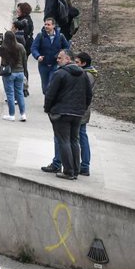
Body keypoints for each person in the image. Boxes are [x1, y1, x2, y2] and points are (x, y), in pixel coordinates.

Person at [41, 49, 92, 180]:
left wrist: (48, 109)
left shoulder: (60, 74)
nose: (57, 60)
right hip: (77, 113)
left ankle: (68, 171)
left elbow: (50, 93)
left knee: (64, 141)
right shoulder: (83, 74)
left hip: (62, 113)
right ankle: (75, 170)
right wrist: (82, 108)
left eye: (59, 58)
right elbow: (89, 95)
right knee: (74, 141)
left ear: (68, 59)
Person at [0, 30, 27, 122]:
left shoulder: (4, 48)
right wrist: (24, 71)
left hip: (9, 73)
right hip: (20, 72)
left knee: (10, 94)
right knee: (20, 93)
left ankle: (11, 114)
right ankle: (23, 114)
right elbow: (24, 60)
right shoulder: (20, 47)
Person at [31, 17, 69, 93]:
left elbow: (66, 47)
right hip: (43, 65)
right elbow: (33, 48)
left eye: (48, 24)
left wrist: (61, 55)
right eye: (45, 24)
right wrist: (38, 56)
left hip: (55, 64)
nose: (46, 26)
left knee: (51, 85)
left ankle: (51, 103)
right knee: (45, 88)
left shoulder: (60, 36)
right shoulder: (40, 36)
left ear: (53, 26)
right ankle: (47, 100)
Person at [75, 51, 97, 176]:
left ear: (83, 64)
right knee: (82, 136)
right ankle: (84, 165)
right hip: (84, 110)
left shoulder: (86, 76)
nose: (75, 64)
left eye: (77, 62)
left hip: (81, 110)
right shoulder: (88, 73)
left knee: (79, 138)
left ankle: (83, 165)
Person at [14, 2, 35, 95]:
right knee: (23, 67)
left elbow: (22, 36)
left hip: (24, 47)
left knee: (22, 68)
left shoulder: (25, 22)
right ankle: (23, 87)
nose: (17, 11)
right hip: (27, 46)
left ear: (23, 11)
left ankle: (24, 88)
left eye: (18, 10)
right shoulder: (26, 20)